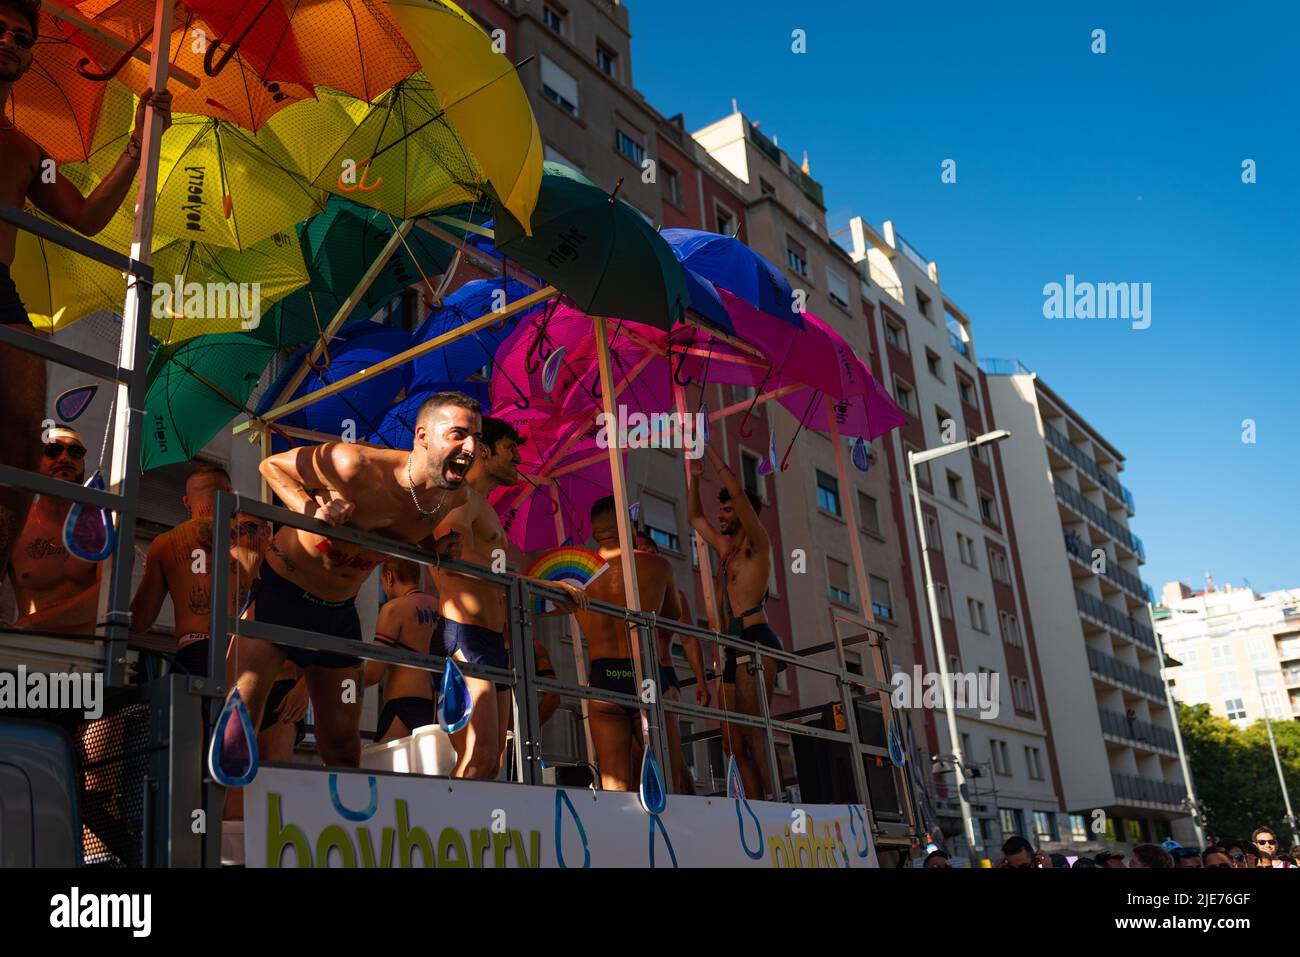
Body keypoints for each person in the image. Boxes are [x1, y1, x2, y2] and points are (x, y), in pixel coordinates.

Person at [0, 0, 171, 580]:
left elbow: (89, 215)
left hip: (0, 287)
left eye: (21, 38)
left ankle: (0, 564)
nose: (9, 42)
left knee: (24, 426)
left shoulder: (26, 152)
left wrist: (138, 144)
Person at [226, 391, 478, 769]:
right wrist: (313, 511)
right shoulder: (354, 464)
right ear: (423, 436)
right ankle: (209, 825)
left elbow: (407, 530)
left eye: (476, 437)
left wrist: (438, 547)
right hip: (280, 598)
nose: (470, 447)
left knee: (344, 744)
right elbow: (272, 466)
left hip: (338, 614)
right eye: (458, 434)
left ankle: (340, 823)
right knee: (237, 725)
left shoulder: (452, 499)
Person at [430, 417, 586, 779]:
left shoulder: (483, 507)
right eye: (511, 449)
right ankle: (458, 834)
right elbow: (450, 551)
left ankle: (478, 833)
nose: (519, 459)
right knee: (478, 756)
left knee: (492, 761)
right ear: (483, 450)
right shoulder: (461, 494)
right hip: (464, 633)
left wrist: (543, 600)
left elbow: (495, 585)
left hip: (490, 640)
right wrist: (525, 581)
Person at [687, 443, 785, 799]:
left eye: (728, 510)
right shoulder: (726, 550)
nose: (721, 516)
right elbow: (694, 519)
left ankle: (778, 799)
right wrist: (696, 479)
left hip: (756, 640)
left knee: (754, 727)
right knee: (730, 739)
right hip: (732, 647)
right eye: (722, 510)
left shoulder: (756, 545)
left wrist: (709, 448)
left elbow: (741, 493)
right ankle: (757, 801)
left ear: (744, 514)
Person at [575, 496, 680, 792]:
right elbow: (673, 615)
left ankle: (621, 837)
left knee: (613, 783)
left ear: (595, 532)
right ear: (630, 527)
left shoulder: (578, 575)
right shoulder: (658, 567)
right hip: (643, 671)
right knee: (665, 779)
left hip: (603, 676)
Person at [5, 427, 101, 635]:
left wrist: (28, 624)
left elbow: (108, 596)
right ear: (36, 462)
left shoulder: (101, 523)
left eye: (75, 452)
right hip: (32, 656)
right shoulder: (15, 525)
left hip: (89, 657)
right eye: (53, 450)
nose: (65, 457)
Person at [635, 531, 709, 795]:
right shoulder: (624, 591)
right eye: (639, 551)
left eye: (650, 552)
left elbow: (689, 639)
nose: (646, 557)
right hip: (632, 671)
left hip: (664, 671)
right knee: (641, 749)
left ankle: (681, 796)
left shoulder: (675, 595)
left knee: (671, 750)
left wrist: (701, 680)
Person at [363, 557, 441, 742]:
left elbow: (373, 674)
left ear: (389, 577)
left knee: (384, 768)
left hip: (403, 704)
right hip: (438, 709)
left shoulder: (394, 609)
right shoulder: (441, 608)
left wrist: (341, 683)